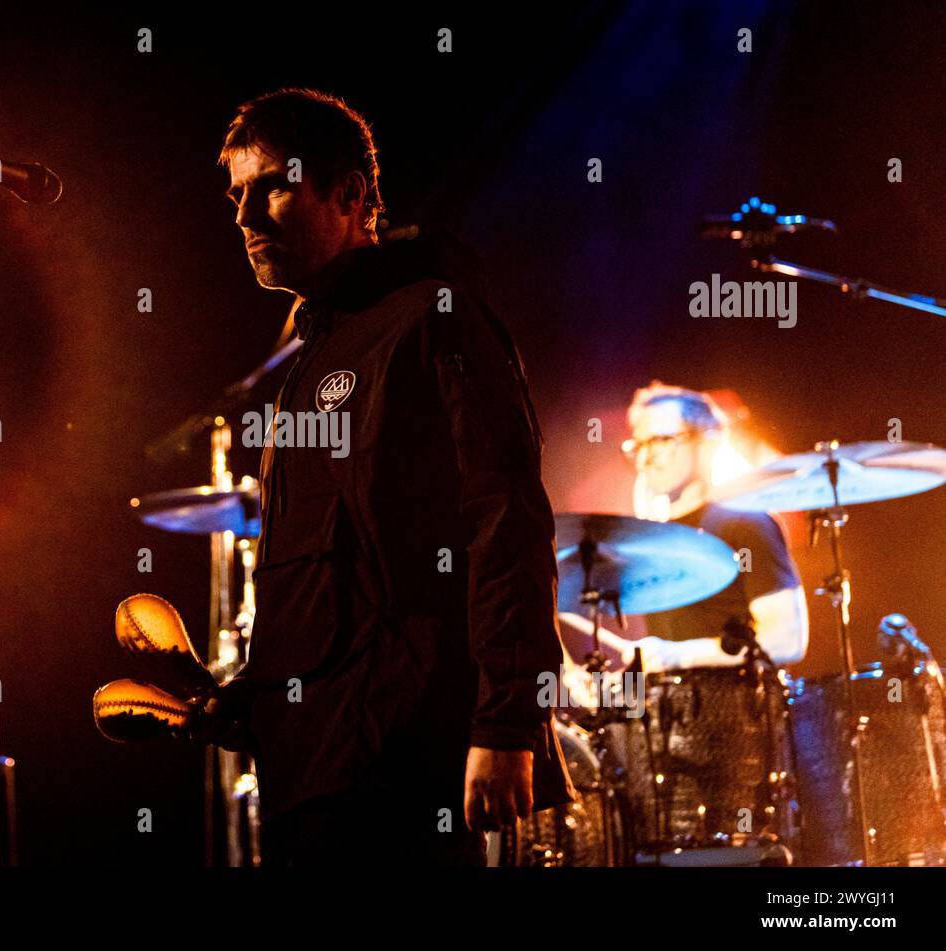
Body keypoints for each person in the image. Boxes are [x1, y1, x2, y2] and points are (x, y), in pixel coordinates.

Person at [213, 88, 572, 866]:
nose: (244, 218)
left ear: (351, 194)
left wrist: (509, 725)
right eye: (236, 195)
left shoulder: (430, 315)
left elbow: (505, 516)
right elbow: (326, 580)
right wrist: (254, 696)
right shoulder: (306, 367)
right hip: (309, 775)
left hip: (402, 759)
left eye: (272, 185)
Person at [559, 382, 808, 673]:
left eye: (662, 440)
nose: (646, 457)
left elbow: (787, 640)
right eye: (639, 445)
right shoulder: (647, 539)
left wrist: (677, 655)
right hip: (669, 713)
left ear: (706, 441)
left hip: (740, 711)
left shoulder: (746, 524)